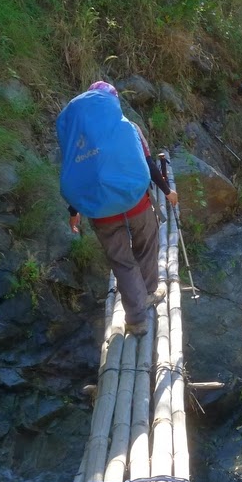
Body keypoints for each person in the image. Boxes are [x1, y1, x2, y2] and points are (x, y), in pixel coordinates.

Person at [62, 81, 179, 336]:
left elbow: (77, 176)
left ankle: (136, 320)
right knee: (147, 246)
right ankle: (148, 292)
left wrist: (74, 212)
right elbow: (148, 164)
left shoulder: (77, 138)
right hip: (136, 203)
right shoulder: (130, 128)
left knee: (122, 262)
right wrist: (167, 191)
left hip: (101, 213)